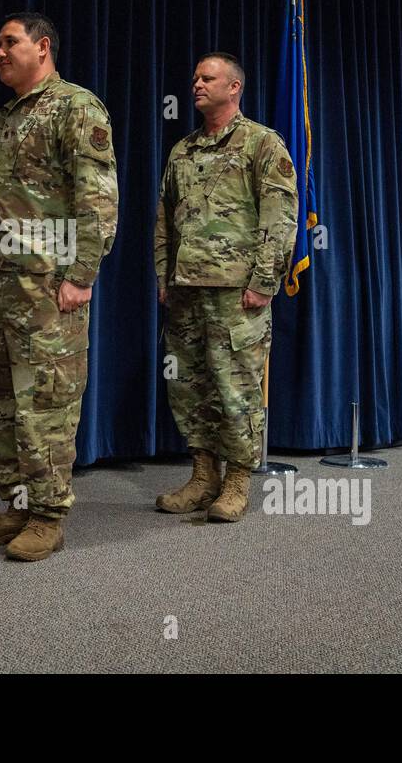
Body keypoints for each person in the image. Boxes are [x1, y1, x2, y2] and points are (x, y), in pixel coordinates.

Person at [0, 13, 118, 561]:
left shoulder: (76, 107)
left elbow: (98, 200)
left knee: (46, 402)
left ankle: (47, 513)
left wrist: (81, 276)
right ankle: (15, 504)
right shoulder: (1, 118)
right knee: (1, 403)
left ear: (42, 47)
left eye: (9, 43)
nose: (0, 51)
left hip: (47, 283)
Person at [154, 53, 298, 521]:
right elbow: (164, 223)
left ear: (233, 87)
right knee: (189, 387)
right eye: (194, 76)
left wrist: (264, 281)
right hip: (186, 291)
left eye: (207, 77)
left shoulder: (262, 144)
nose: (196, 83)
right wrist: (164, 277)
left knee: (235, 388)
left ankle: (236, 482)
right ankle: (203, 476)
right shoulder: (183, 150)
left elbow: (281, 218)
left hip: (237, 293)